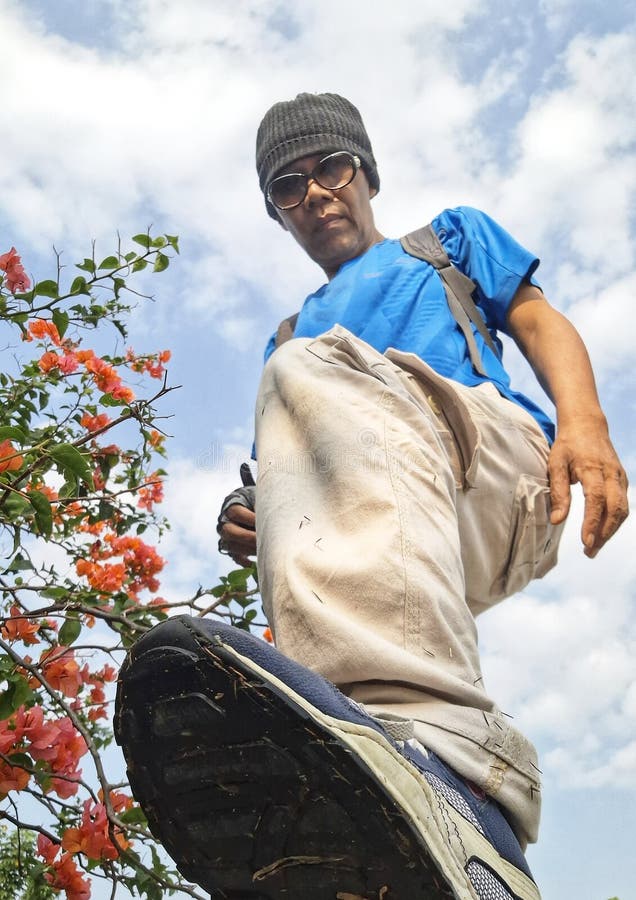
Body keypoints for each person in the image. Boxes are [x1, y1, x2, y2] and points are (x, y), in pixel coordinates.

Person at [116, 93, 628, 900]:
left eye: (332, 168)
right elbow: (308, 486)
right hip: (406, 529)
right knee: (302, 382)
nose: (316, 192)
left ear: (366, 174)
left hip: (497, 470)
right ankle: (372, 815)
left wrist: (585, 424)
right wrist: (256, 517)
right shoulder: (288, 337)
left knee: (313, 372)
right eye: (290, 186)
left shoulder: (443, 244)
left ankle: (458, 771)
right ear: (279, 215)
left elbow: (538, 321)